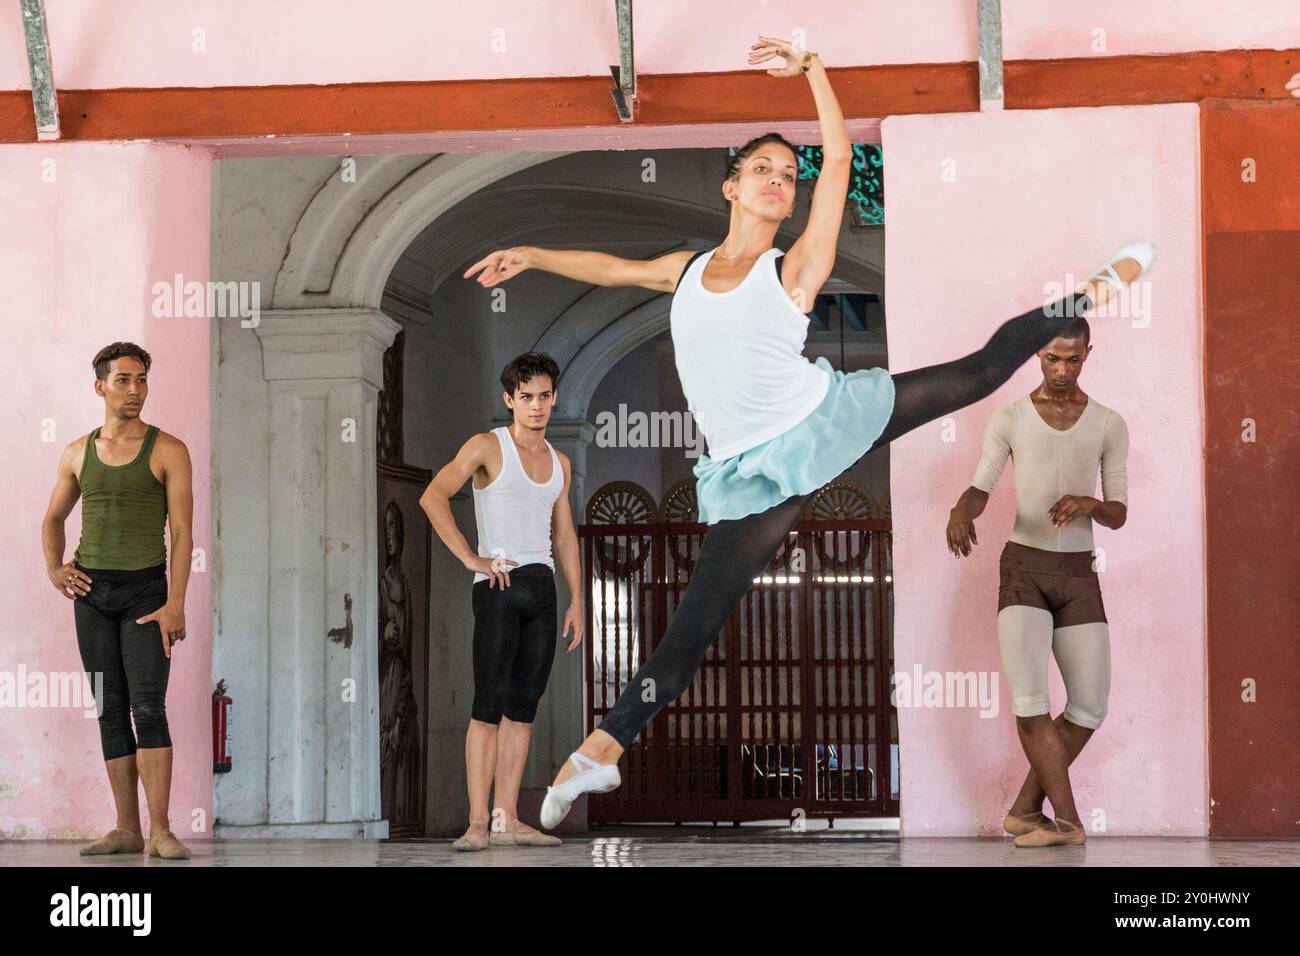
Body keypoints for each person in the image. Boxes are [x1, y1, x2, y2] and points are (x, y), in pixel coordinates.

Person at [463, 36, 1156, 830]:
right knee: (695, 624)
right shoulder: (685, 270)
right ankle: (601, 751)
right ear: (731, 185)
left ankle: (1095, 290)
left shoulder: (793, 268)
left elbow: (833, 159)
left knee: (979, 369)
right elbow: (612, 269)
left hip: (825, 421)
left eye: (786, 178)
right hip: (753, 471)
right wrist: (533, 254)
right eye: (763, 169)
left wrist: (815, 74)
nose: (779, 182)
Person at [946, 316, 1129, 848]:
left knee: (1090, 704)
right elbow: (982, 486)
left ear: (1088, 353)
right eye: (1053, 358)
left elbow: (1117, 512)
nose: (1062, 369)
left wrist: (1091, 503)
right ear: (1036, 355)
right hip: (1023, 568)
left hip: (1078, 575)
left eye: (1073, 359)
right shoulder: (1009, 417)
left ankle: (1026, 809)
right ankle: (1070, 823)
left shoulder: (1108, 423)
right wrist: (963, 509)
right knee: (1030, 703)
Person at [420, 353, 585, 850]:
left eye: (544, 397)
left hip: (543, 590)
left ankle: (507, 818)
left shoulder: (561, 462)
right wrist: (471, 557)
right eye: (526, 397)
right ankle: (475, 821)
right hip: (498, 588)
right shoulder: (487, 446)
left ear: (554, 398)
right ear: (509, 399)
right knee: (487, 706)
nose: (536, 406)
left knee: (523, 708)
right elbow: (433, 496)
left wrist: (577, 598)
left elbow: (565, 534)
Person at [41, 342, 195, 859]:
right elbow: (53, 519)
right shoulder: (77, 452)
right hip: (93, 596)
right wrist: (56, 570)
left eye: (142, 379)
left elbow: (183, 534)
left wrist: (176, 604)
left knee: (148, 707)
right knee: (110, 708)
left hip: (146, 595)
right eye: (124, 380)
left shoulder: (169, 449)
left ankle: (161, 830)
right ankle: (127, 829)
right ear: (100, 386)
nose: (135, 390)